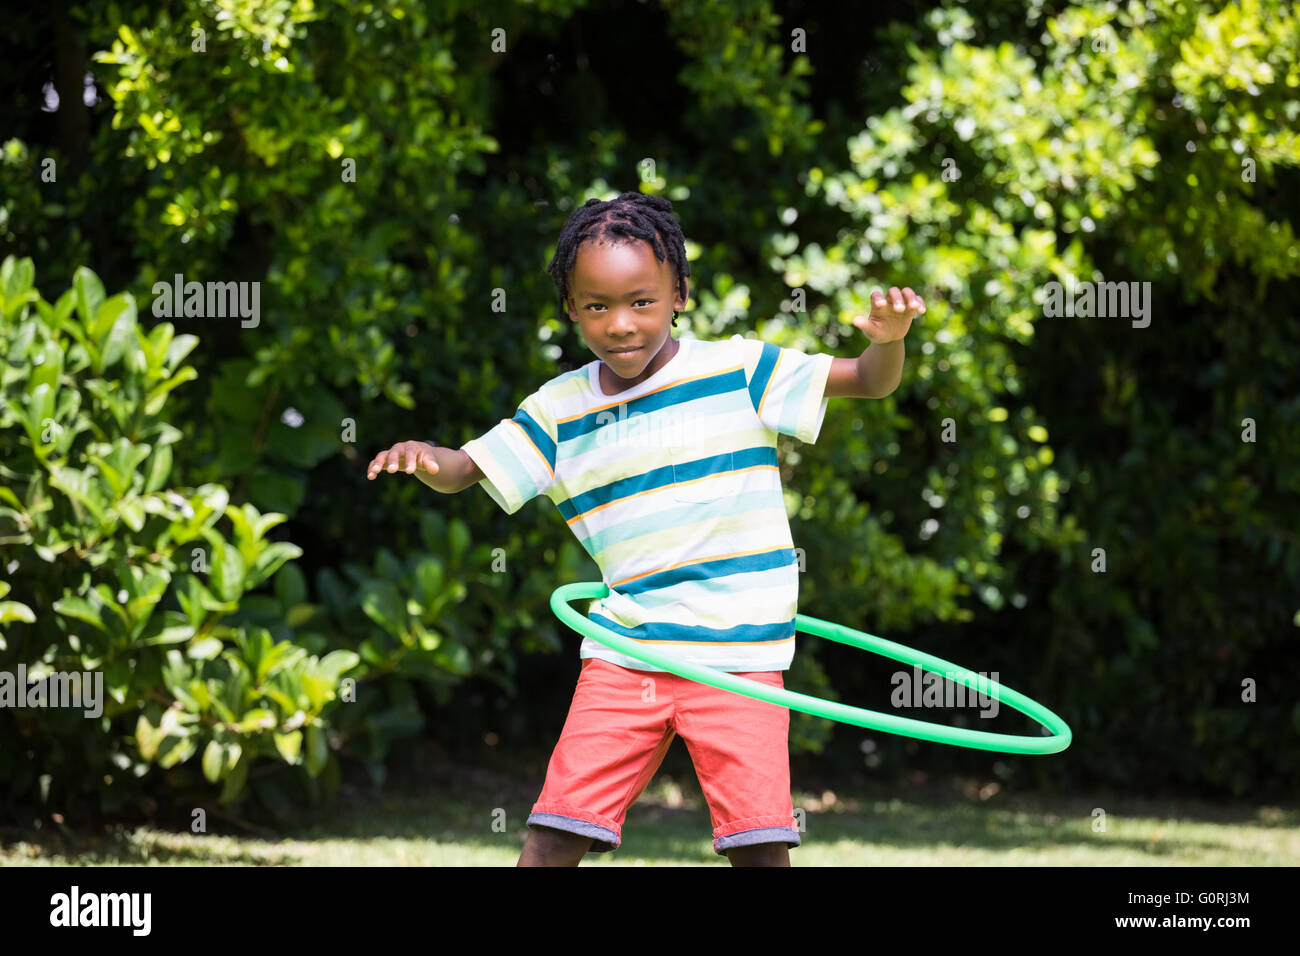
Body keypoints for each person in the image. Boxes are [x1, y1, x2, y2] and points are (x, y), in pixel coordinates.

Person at [367, 191, 924, 866]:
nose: (620, 324)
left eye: (641, 301)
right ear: (572, 308)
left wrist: (886, 341)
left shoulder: (738, 369)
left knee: (759, 843)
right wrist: (425, 459)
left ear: (679, 294)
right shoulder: (560, 410)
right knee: (554, 834)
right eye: (596, 307)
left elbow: (868, 380)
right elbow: (464, 470)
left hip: (738, 656)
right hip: (628, 649)